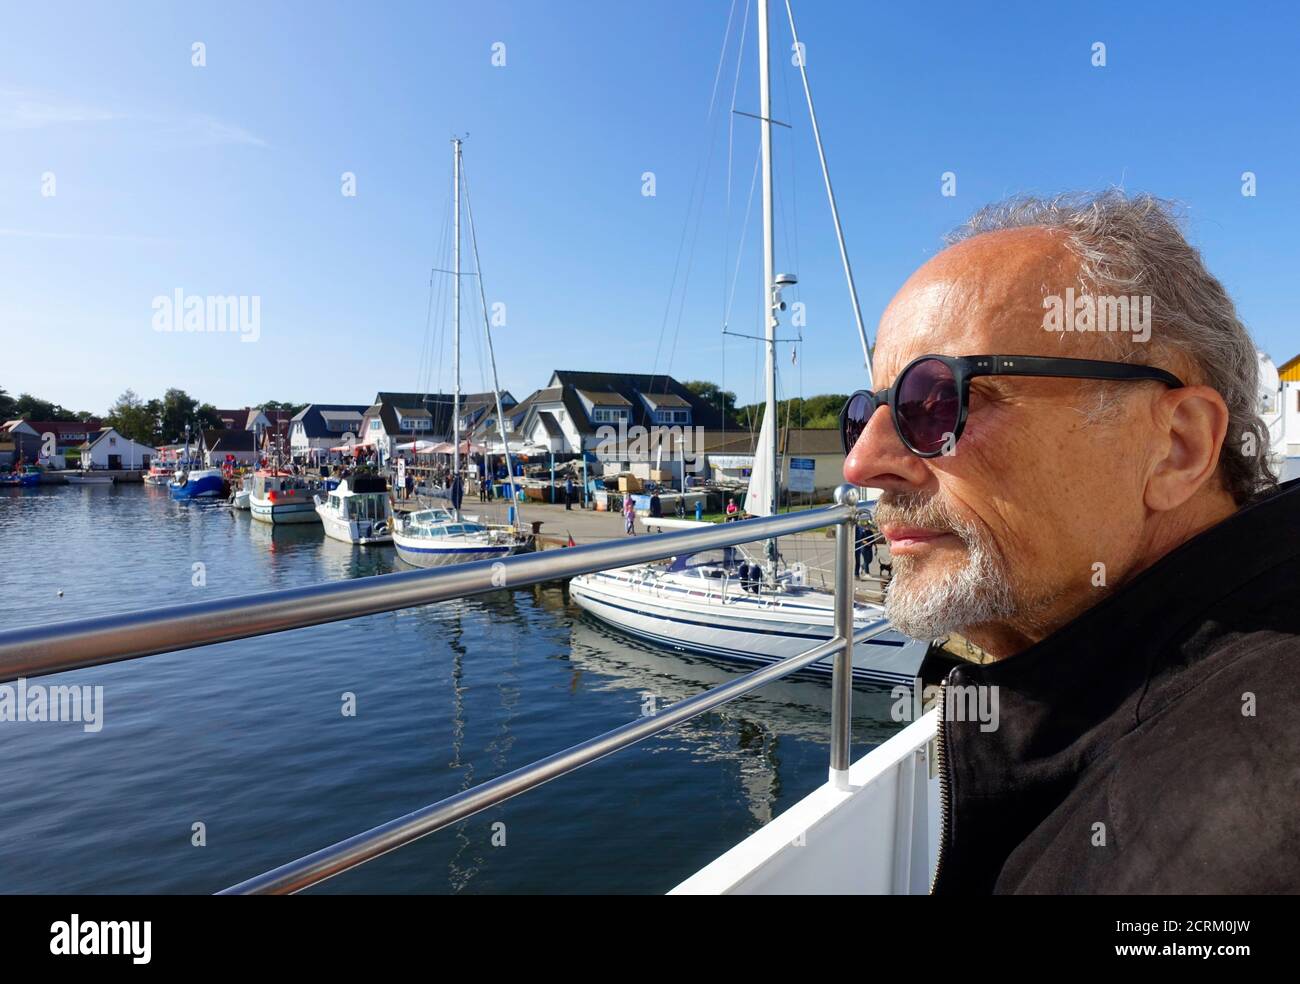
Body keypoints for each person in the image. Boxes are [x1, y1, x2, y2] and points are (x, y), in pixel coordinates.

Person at [842, 190, 1298, 894]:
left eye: (935, 401)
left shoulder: (1243, 822)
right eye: (865, 413)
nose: (861, 465)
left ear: (1175, 448)